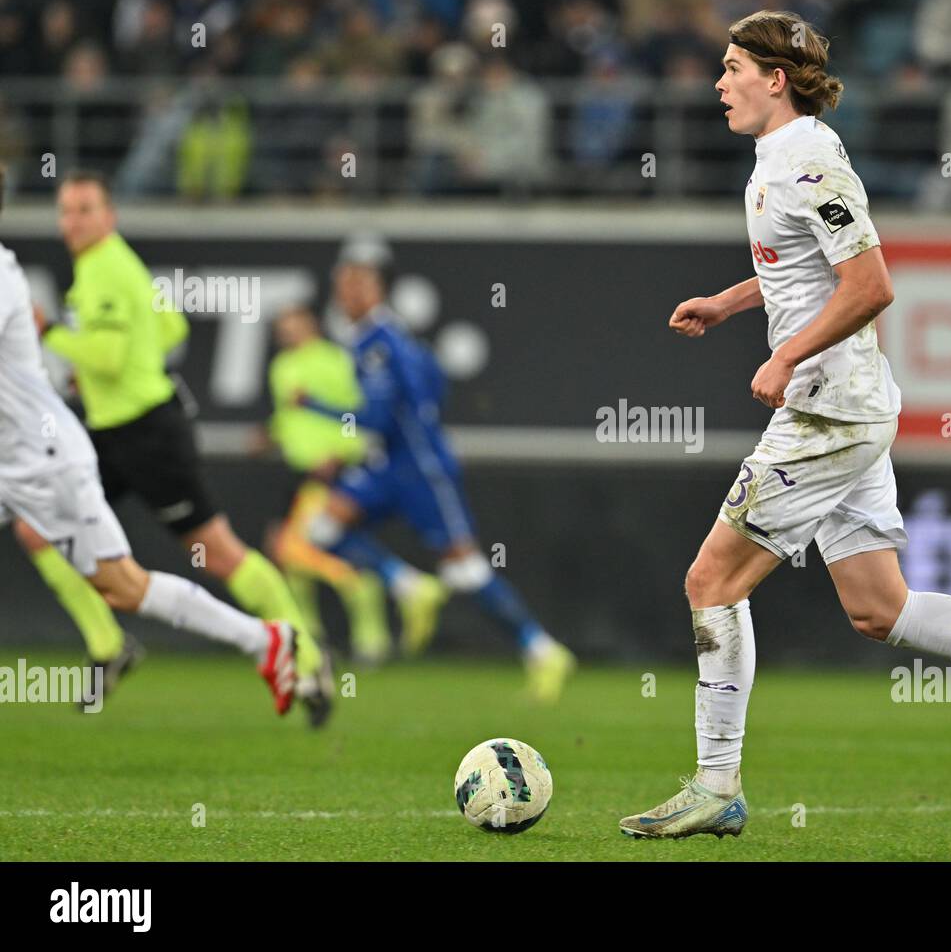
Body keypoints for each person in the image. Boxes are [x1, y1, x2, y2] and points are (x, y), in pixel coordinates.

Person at [619, 10, 951, 840]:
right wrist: (731, 300)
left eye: (733, 67)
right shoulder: (786, 155)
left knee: (710, 584)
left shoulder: (807, 158)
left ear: (774, 79)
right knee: (878, 606)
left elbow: (871, 285)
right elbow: (804, 268)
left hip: (827, 409)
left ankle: (716, 785)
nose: (719, 82)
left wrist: (784, 360)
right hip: (851, 405)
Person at [18, 169, 332, 725]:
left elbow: (111, 358)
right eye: (65, 210)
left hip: (146, 434)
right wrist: (111, 366)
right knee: (37, 528)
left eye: (85, 209)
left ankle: (303, 654)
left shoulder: (105, 270)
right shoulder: (116, 266)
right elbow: (171, 329)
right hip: (114, 430)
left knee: (217, 550)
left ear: (108, 215)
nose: (72, 221)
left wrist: (51, 335)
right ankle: (108, 646)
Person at [299, 249, 577, 703]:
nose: (346, 294)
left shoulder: (382, 342)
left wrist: (315, 407)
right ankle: (409, 586)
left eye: (357, 285)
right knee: (322, 528)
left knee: (464, 572)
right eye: (342, 285)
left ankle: (544, 651)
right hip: (389, 466)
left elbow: (377, 417)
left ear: (377, 290)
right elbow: (433, 386)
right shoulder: (387, 340)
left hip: (421, 470)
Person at [264, 303, 448, 664]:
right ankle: (310, 635)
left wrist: (341, 451)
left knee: (307, 546)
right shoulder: (281, 367)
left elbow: (361, 414)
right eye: (283, 327)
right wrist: (269, 435)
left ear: (311, 323)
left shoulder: (336, 360)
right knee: (291, 555)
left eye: (295, 324)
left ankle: (369, 638)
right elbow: (289, 418)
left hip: (331, 470)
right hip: (297, 469)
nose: (289, 333)